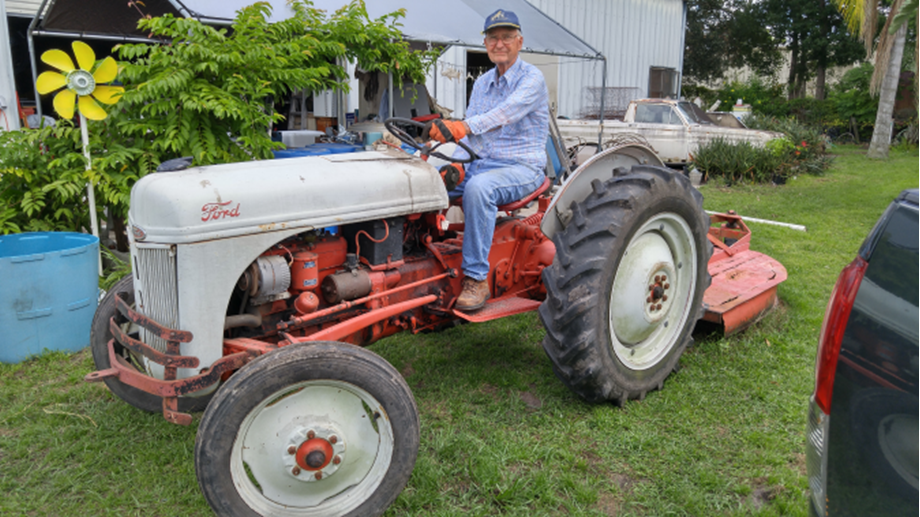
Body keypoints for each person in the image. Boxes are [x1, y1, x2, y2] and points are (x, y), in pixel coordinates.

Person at [427, 8, 549, 311]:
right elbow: (472, 140)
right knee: (426, 179)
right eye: (493, 38)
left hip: (521, 167)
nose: (499, 43)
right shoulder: (482, 83)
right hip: (481, 162)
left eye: (507, 37)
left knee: (479, 188)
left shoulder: (532, 79)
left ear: (519, 42)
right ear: (485, 44)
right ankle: (420, 255)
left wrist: (463, 126)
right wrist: (455, 162)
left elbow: (505, 114)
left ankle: (476, 278)